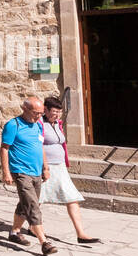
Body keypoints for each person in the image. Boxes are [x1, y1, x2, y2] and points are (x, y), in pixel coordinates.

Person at [34, 96, 99, 245]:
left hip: (60, 167)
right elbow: (37, 146)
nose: (57, 115)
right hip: (45, 167)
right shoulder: (39, 124)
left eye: (59, 112)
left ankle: (80, 233)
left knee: (71, 197)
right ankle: (29, 227)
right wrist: (45, 167)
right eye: (54, 111)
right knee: (36, 200)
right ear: (45, 110)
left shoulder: (58, 124)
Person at [0, 96, 57, 256]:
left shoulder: (38, 125)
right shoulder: (13, 125)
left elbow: (40, 147)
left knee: (26, 203)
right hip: (21, 171)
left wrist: (45, 168)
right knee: (33, 206)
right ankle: (44, 242)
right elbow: (4, 148)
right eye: (36, 113)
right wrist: (6, 172)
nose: (39, 116)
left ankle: (14, 232)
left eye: (41, 113)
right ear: (25, 109)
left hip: (36, 171)